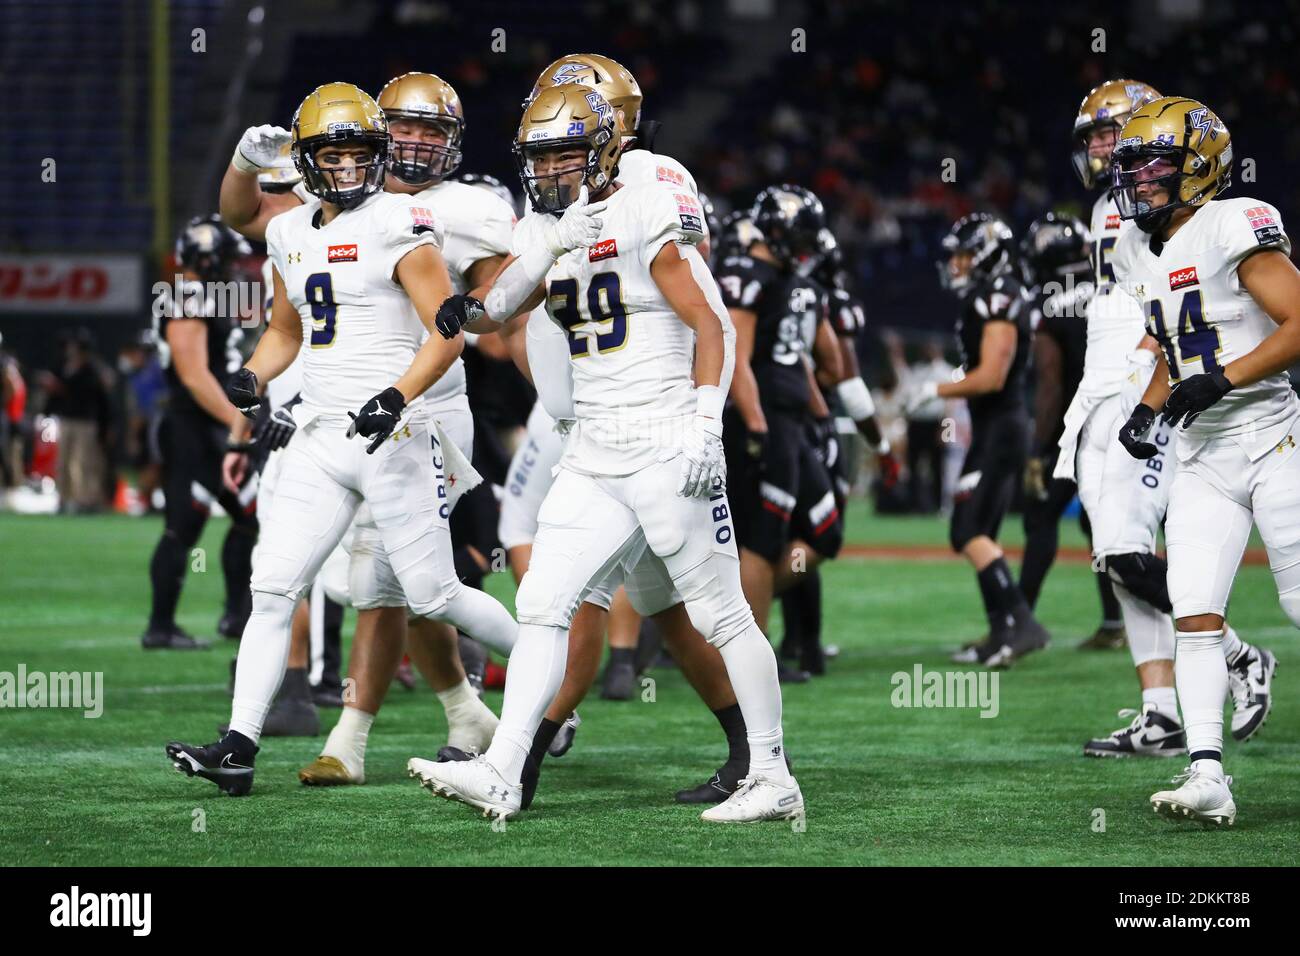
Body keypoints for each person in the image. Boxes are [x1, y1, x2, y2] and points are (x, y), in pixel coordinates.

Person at [411, 85, 803, 823]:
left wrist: (706, 423)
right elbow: (492, 312)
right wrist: (538, 248)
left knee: (721, 616)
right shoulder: (548, 224)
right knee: (542, 605)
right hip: (591, 449)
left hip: (662, 439)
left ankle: (773, 773)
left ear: (602, 147)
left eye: (563, 152)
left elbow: (712, 324)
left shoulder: (646, 199)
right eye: (540, 155)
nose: (550, 169)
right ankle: (503, 770)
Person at [165, 81, 516, 796]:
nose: (350, 167)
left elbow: (447, 330)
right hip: (322, 433)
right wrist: (254, 378)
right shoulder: (292, 229)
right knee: (273, 587)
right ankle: (238, 746)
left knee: (433, 594)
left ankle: (548, 660)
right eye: (334, 152)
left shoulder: (402, 221)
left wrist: (397, 395)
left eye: (361, 153)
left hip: (397, 433)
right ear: (307, 159)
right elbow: (288, 329)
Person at [1111, 96, 1294, 824]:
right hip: (1204, 454)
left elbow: (1298, 321)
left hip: (1274, 436)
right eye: (1133, 165)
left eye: (1155, 163)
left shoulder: (1231, 220)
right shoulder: (1140, 248)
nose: (1141, 179)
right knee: (1194, 614)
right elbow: (1181, 347)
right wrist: (1148, 408)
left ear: (1199, 164)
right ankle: (1208, 772)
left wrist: (1227, 379)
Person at [913, 214, 1050, 666]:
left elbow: (991, 377)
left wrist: (936, 388)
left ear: (988, 254)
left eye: (965, 253)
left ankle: (1023, 623)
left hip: (1002, 426)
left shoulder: (999, 296)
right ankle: (1000, 633)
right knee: (981, 531)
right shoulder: (992, 294)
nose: (956, 262)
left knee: (967, 529)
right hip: (997, 426)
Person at [139, 219, 256, 649]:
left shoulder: (201, 294)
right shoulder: (187, 297)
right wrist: (236, 422)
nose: (233, 268)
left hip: (212, 425)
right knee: (184, 526)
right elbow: (193, 376)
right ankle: (160, 625)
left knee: (250, 518)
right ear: (207, 259)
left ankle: (235, 616)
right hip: (195, 427)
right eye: (226, 259)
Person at [1017, 212, 1126, 649]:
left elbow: (1049, 380)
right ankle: (1118, 623)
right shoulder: (1112, 285)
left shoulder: (1047, 299)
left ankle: (1019, 621)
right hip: (1121, 418)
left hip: (1074, 428)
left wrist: (1039, 448)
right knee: (1101, 522)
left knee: (1041, 517)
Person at [44, 329, 113, 514]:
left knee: (84, 462)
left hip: (86, 421)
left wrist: (106, 424)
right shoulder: (64, 366)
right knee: (63, 461)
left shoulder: (93, 369)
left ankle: (86, 499)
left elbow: (98, 395)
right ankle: (64, 498)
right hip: (66, 419)